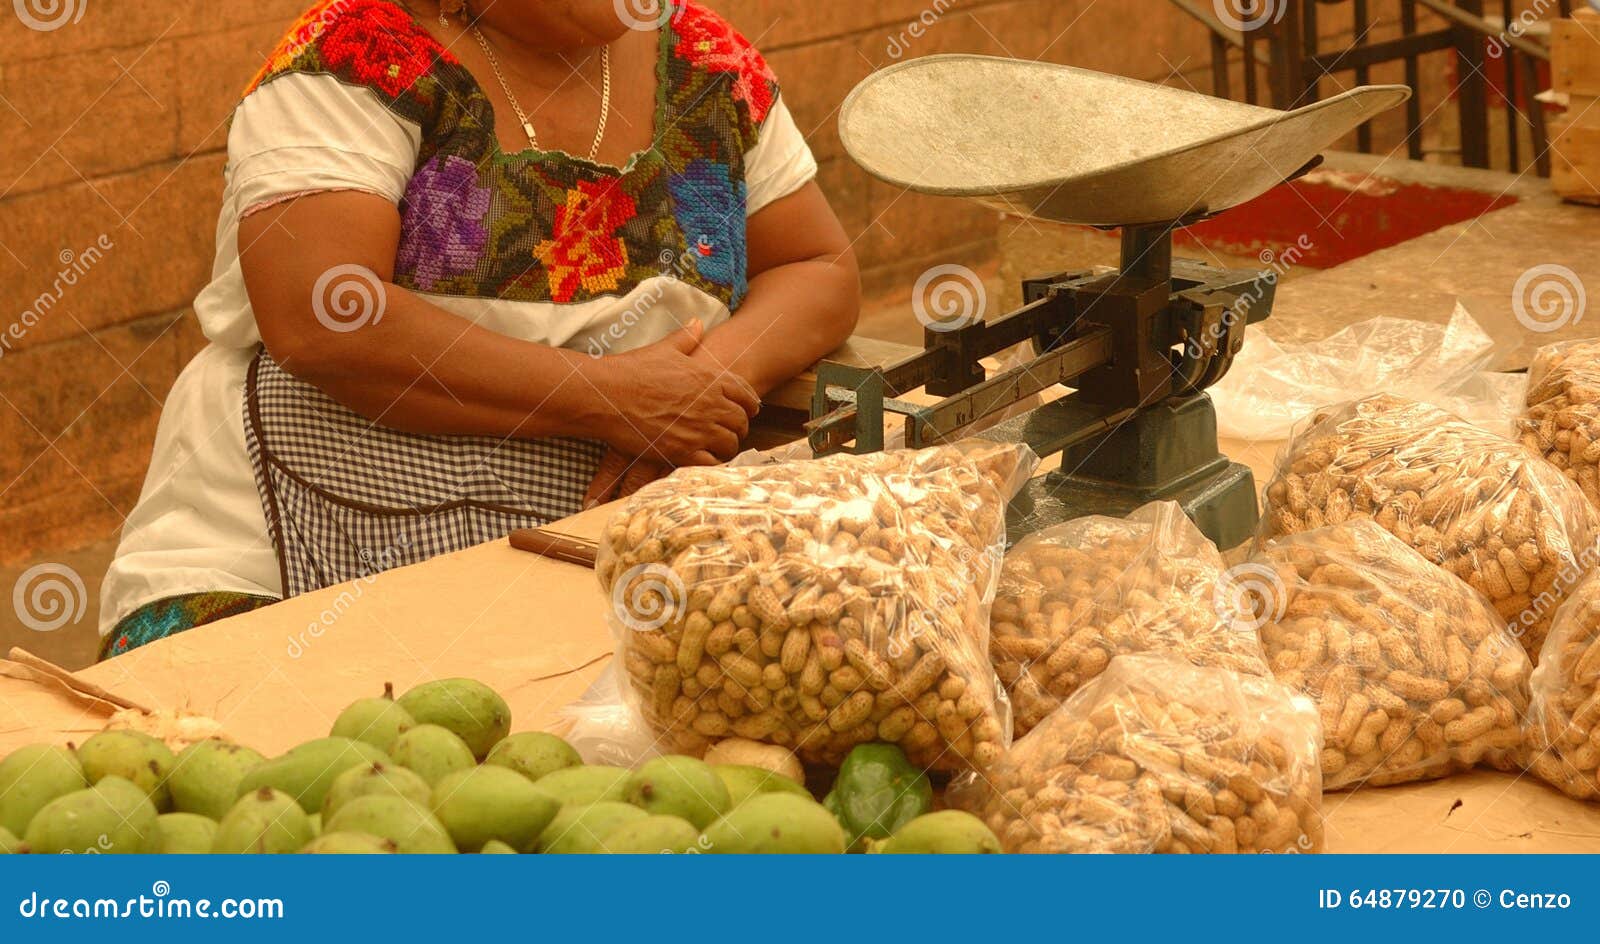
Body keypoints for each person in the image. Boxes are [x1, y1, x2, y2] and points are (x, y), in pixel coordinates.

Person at [96, 0, 860, 659]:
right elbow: (319, 317)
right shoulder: (360, 53)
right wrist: (611, 398)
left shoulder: (705, 61)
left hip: (583, 551)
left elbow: (818, 265)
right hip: (285, 550)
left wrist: (697, 387)